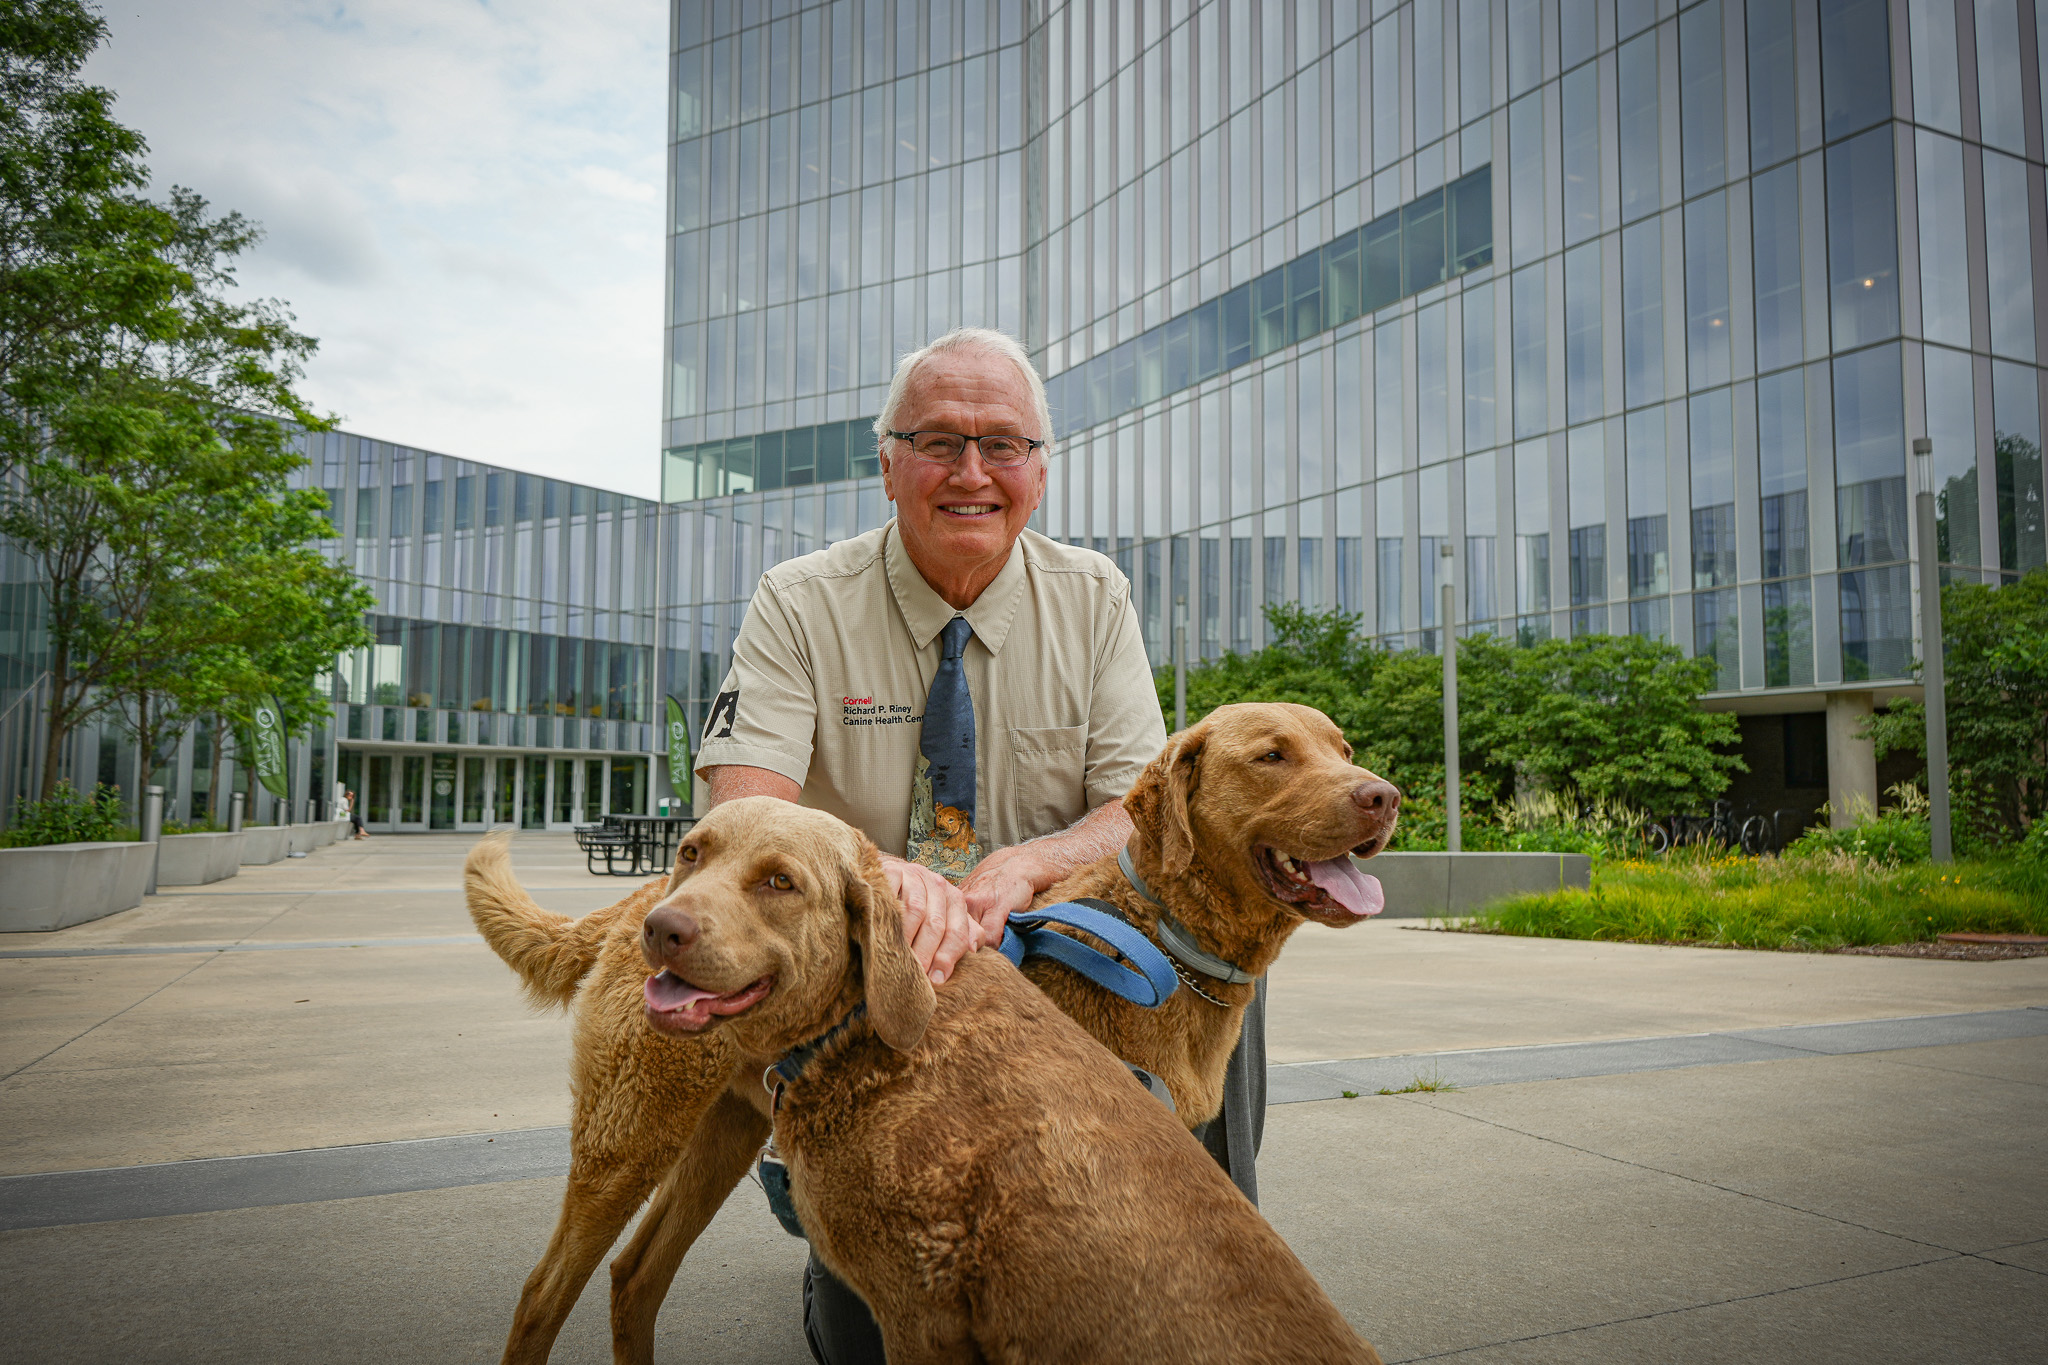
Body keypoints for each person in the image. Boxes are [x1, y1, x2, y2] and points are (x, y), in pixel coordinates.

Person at [695, 327, 1266, 1365]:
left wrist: (1026, 865)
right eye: (937, 441)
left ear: (1039, 472)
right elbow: (744, 804)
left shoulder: (1094, 598)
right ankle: (838, 1231)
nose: (970, 473)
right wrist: (885, 874)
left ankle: (1204, 1253)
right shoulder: (798, 599)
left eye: (1002, 445)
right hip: (868, 962)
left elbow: (1136, 810)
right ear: (886, 463)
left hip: (1047, 944)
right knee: (870, 1336)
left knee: (1209, 946)